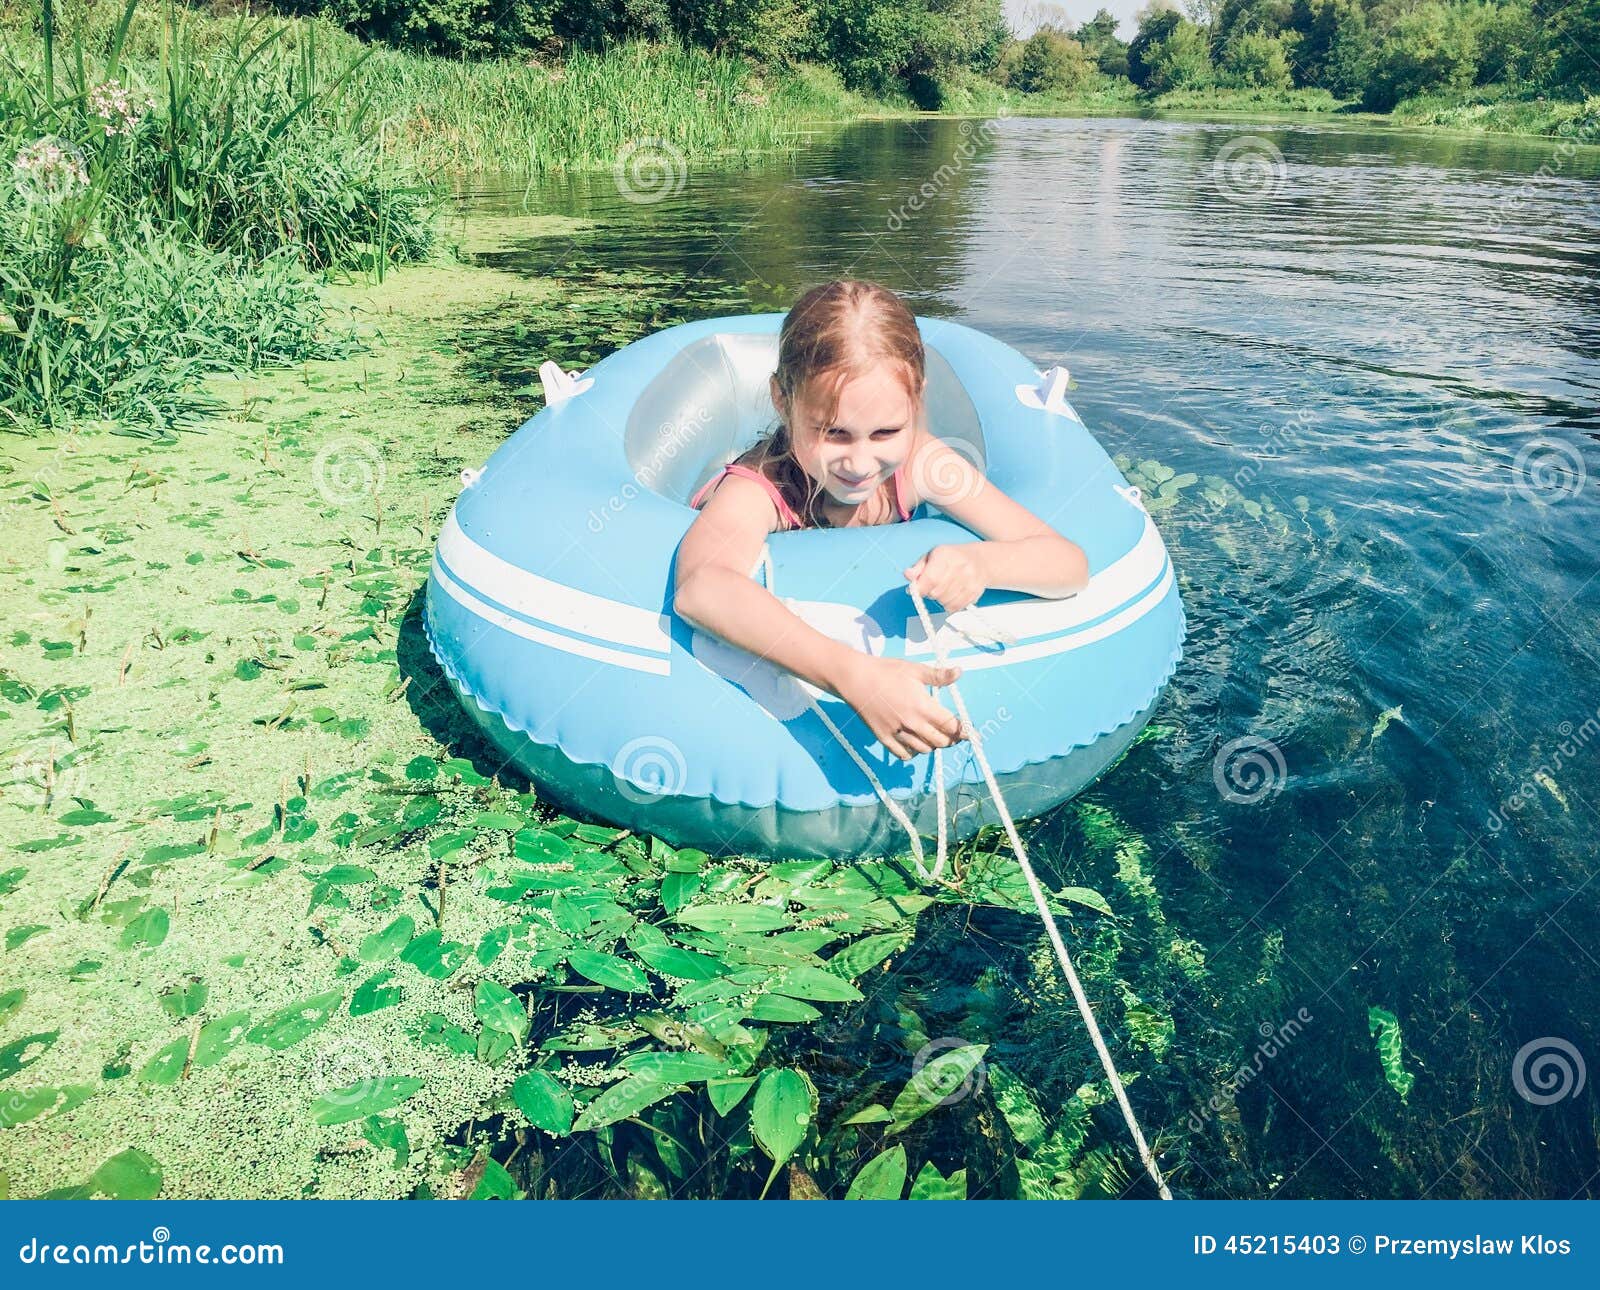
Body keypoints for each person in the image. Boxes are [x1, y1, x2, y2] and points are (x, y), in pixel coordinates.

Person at [673, 279, 1089, 762]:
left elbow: (1068, 564)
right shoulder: (759, 486)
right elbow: (702, 588)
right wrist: (854, 676)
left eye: (886, 431)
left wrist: (983, 564)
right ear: (782, 401)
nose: (860, 463)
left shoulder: (924, 464)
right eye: (834, 433)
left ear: (916, 403)